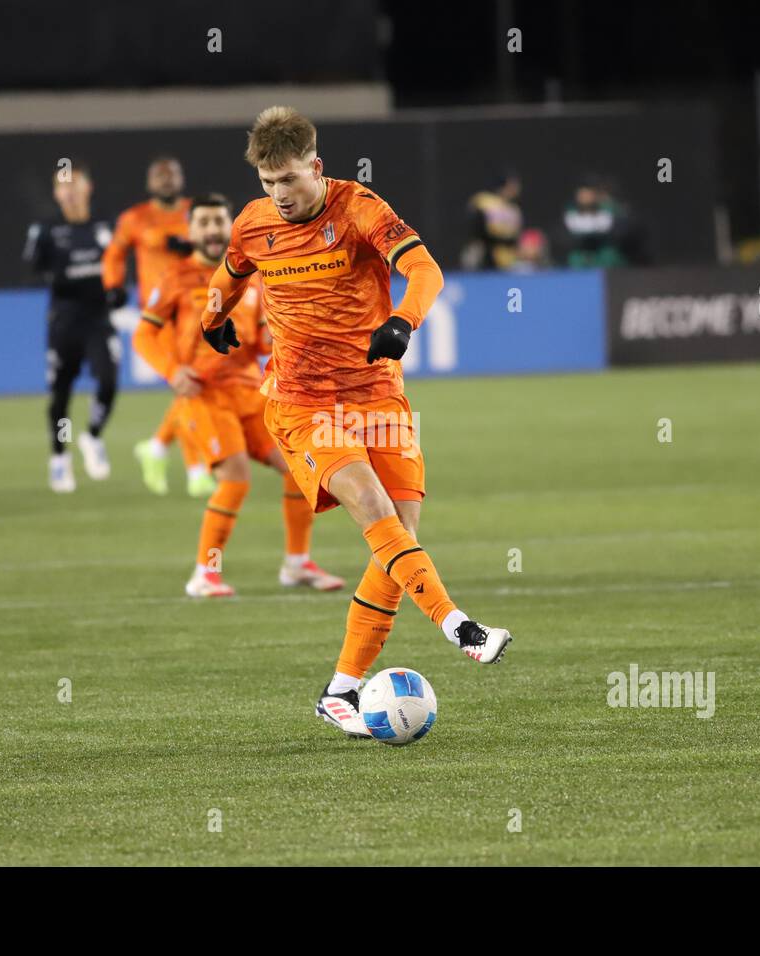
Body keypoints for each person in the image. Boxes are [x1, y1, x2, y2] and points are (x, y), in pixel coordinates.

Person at [200, 107, 513, 738]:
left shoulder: (360, 208)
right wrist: (213, 318)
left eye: (288, 180)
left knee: (400, 539)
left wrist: (403, 321)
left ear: (316, 167)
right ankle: (459, 625)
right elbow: (228, 275)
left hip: (377, 395)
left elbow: (425, 270)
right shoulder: (253, 225)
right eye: (267, 184)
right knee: (373, 508)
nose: (278, 196)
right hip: (300, 402)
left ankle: (340, 688)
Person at [134, 193, 344, 597]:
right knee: (236, 479)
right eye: (204, 222)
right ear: (191, 230)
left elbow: (264, 338)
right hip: (205, 397)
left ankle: (296, 564)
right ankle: (203, 574)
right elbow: (143, 334)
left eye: (218, 221)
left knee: (298, 471)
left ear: (230, 226)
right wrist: (171, 371)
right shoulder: (176, 278)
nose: (212, 230)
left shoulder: (252, 275)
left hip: (251, 393)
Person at [101, 156, 212, 497]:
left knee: (193, 385)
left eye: (171, 174)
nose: (166, 180)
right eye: (159, 175)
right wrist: (114, 285)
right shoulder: (135, 218)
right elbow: (114, 254)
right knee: (187, 384)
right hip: (161, 315)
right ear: (150, 183)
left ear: (181, 178)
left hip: (199, 310)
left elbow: (222, 242)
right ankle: (195, 468)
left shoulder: (198, 212)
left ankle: (161, 448)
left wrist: (194, 244)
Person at [24, 162, 119, 492]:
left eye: (75, 184)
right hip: (64, 321)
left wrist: (118, 290)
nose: (70, 191)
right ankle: (60, 456)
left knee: (108, 381)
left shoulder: (106, 224)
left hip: (99, 319)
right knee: (61, 396)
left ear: (87, 187)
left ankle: (92, 435)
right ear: (56, 193)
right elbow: (33, 265)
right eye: (63, 186)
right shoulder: (48, 229)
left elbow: (119, 263)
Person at [461, 171, 523, 271]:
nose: (517, 188)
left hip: (506, 258)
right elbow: (475, 227)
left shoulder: (514, 209)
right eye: (514, 184)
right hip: (484, 253)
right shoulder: (483, 201)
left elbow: (515, 237)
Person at [562, 183, 628, 268]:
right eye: (582, 193)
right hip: (580, 257)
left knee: (610, 255)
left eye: (588, 193)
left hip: (603, 256)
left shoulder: (609, 211)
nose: (584, 196)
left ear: (596, 195)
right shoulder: (570, 213)